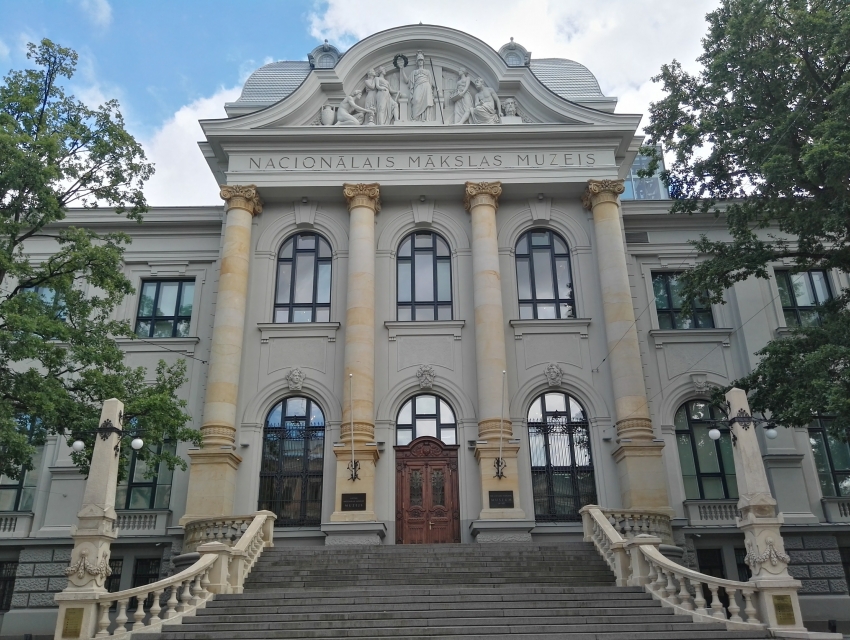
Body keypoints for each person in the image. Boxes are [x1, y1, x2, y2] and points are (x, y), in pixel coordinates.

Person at [401, 51, 436, 122]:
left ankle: (425, 118)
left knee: (427, 101)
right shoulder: (414, 72)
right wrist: (401, 69)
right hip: (418, 87)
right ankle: (416, 118)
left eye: (421, 60)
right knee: (416, 99)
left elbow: (431, 82)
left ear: (423, 61)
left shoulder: (427, 71)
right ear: (417, 61)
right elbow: (407, 81)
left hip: (426, 87)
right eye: (419, 60)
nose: (420, 61)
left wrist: (436, 87)